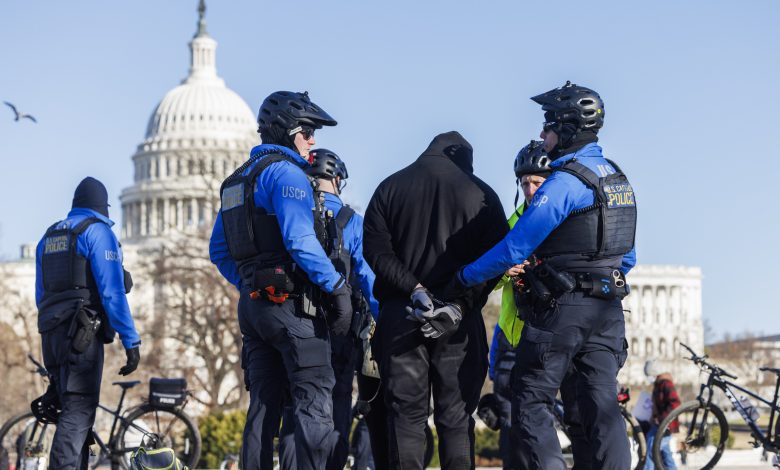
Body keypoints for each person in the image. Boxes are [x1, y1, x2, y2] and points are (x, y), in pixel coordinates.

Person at [447, 81, 637, 469]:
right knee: (602, 408)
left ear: (567, 128)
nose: (543, 133)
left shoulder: (566, 181)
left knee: (531, 398)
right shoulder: (618, 180)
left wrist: (463, 277)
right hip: (609, 308)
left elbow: (515, 248)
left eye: (548, 124)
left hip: (564, 308)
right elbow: (627, 257)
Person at [209, 91, 353, 470]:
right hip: (293, 308)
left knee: (263, 406)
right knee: (313, 399)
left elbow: (218, 251)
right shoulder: (287, 174)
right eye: (307, 131)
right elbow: (299, 240)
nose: (313, 140)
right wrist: (336, 286)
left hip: (253, 310)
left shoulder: (236, 181)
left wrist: (250, 282)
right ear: (288, 132)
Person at [363, 131, 508, 469]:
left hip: (401, 316)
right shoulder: (482, 195)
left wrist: (413, 288)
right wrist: (460, 304)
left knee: (405, 418)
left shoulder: (389, 188)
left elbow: (376, 251)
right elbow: (497, 260)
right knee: (456, 418)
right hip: (458, 321)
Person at [278, 148, 379, 470]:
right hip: (340, 329)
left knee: (294, 408)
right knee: (336, 408)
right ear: (337, 179)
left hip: (294, 324)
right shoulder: (352, 222)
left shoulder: (291, 215)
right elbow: (367, 278)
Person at [34, 177, 141, 470]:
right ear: (103, 207)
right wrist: (130, 340)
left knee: (70, 409)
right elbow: (112, 293)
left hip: (51, 334)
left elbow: (41, 295)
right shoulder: (98, 232)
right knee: (78, 410)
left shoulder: (48, 237)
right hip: (81, 335)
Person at [487, 140, 551, 470]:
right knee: (510, 422)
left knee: (536, 418)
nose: (529, 189)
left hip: (547, 333)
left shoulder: (562, 222)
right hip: (510, 336)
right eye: (524, 182)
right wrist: (504, 270)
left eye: (536, 182)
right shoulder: (511, 223)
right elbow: (491, 279)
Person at [643, 361, 681, 470]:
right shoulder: (658, 384)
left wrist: (662, 418)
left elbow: (675, 404)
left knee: (651, 449)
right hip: (659, 424)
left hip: (664, 424)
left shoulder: (665, 384)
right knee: (665, 453)